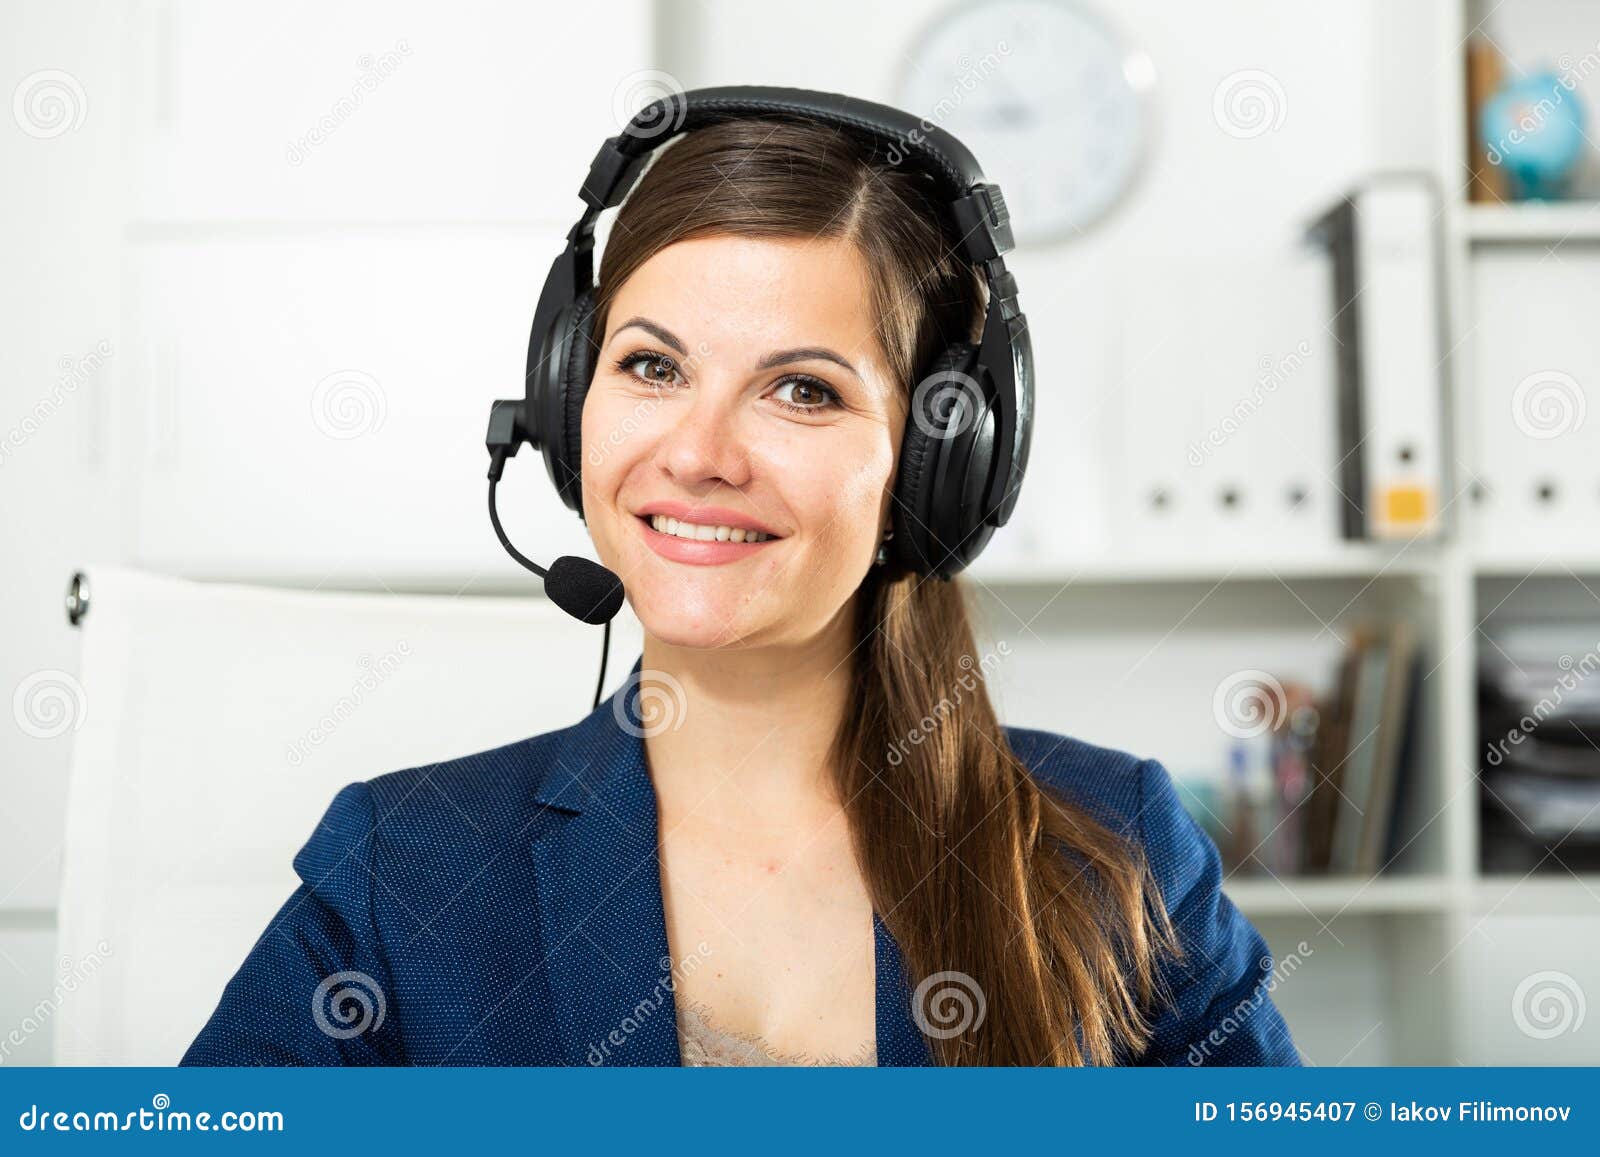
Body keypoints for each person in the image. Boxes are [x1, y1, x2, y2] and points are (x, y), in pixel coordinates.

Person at [182, 98, 1299, 1068]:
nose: (699, 453)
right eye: (652, 366)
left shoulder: (1114, 848)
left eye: (802, 390)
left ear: (935, 466)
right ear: (567, 402)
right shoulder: (408, 867)